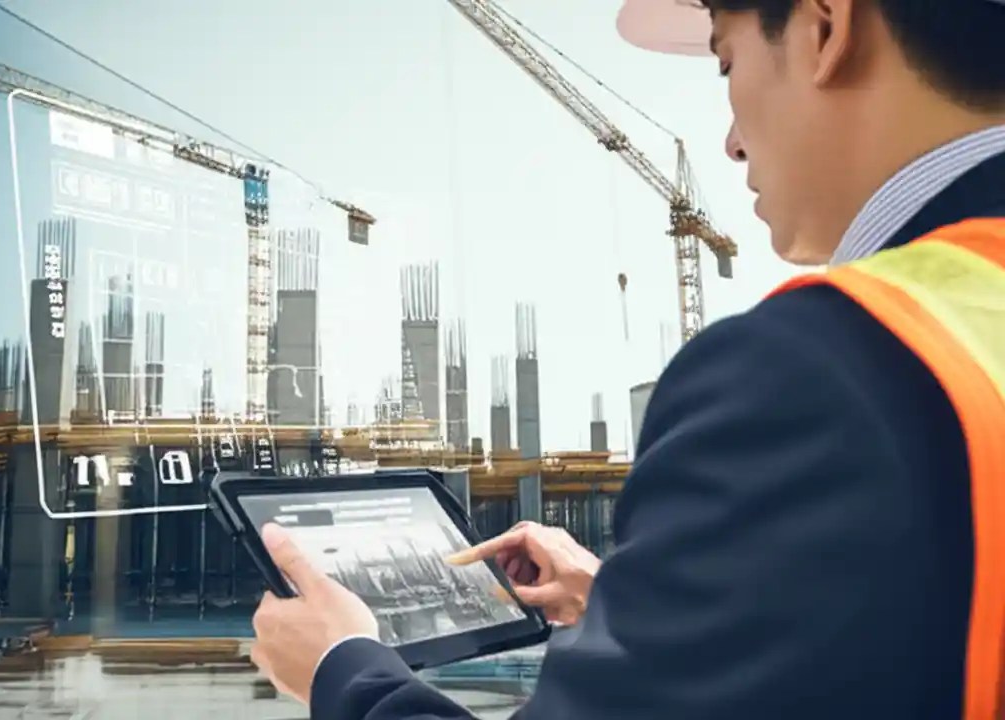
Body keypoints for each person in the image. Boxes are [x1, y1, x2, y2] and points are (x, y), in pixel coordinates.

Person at [249, 0, 1005, 717]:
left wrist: (341, 665)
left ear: (825, 26)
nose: (733, 141)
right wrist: (663, 606)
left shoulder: (821, 371)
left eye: (725, 63)